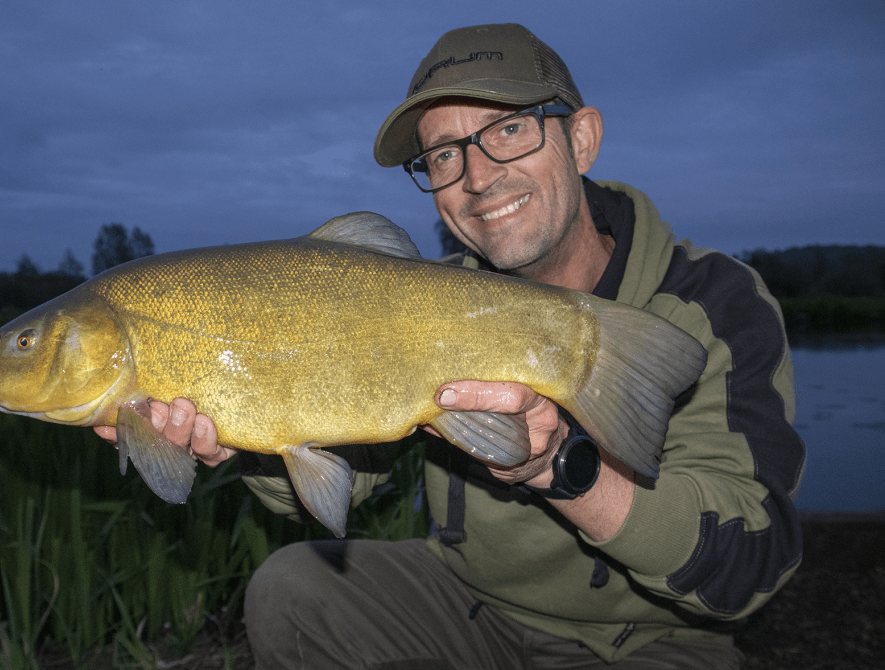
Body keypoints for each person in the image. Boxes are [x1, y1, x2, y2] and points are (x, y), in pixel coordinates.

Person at [96, 23, 805, 668]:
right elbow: (349, 474)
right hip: (473, 608)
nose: (476, 175)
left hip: (649, 638)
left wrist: (561, 466)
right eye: (442, 154)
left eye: (508, 131)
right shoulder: (424, 301)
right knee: (292, 587)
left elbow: (750, 567)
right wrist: (239, 439)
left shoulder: (713, 303)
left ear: (580, 139)